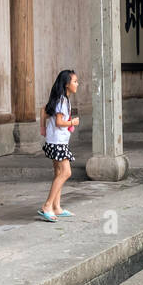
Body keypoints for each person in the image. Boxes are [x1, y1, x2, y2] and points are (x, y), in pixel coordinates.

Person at [38, 70, 79, 222]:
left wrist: (43, 129)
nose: (77, 84)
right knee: (66, 173)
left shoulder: (62, 99)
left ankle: (57, 207)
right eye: (75, 81)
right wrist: (72, 122)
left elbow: (43, 110)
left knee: (58, 173)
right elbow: (59, 122)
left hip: (54, 141)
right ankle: (47, 206)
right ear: (67, 84)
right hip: (57, 143)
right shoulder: (62, 101)